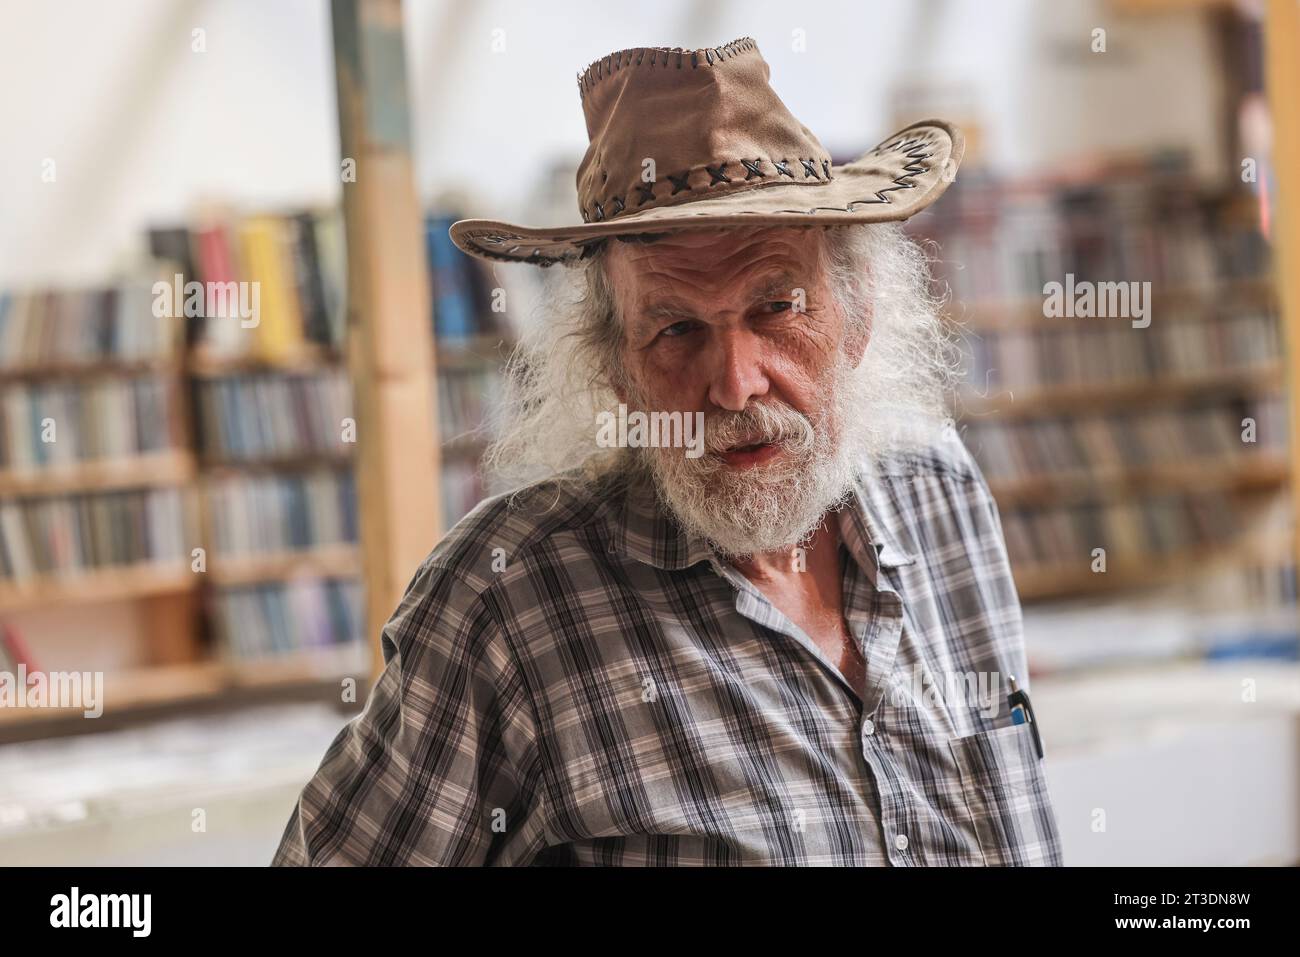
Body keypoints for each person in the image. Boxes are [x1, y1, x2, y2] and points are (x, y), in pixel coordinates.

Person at [272, 37, 1063, 866]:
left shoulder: (943, 498)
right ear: (616, 368)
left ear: (855, 318)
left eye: (776, 306)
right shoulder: (507, 599)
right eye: (678, 327)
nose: (734, 382)